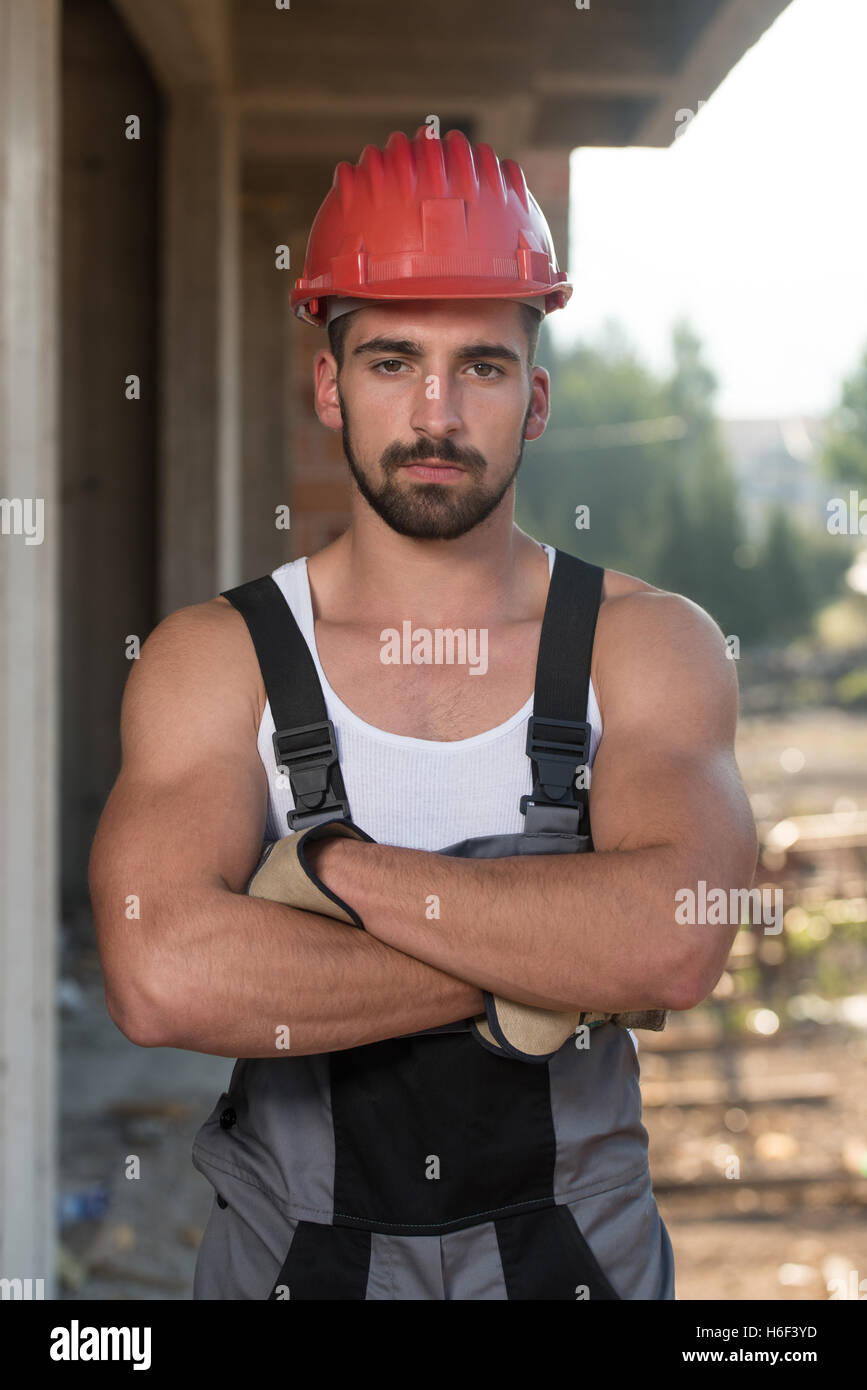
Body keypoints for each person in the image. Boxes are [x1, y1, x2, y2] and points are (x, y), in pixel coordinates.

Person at [89, 127, 758, 1300]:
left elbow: (676, 937)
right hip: (294, 1264)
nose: (436, 412)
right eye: (394, 361)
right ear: (328, 384)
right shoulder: (217, 659)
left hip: (575, 1265)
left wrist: (331, 871)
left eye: (482, 367)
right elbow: (162, 974)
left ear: (536, 396)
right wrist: (554, 966)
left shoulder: (646, 645)